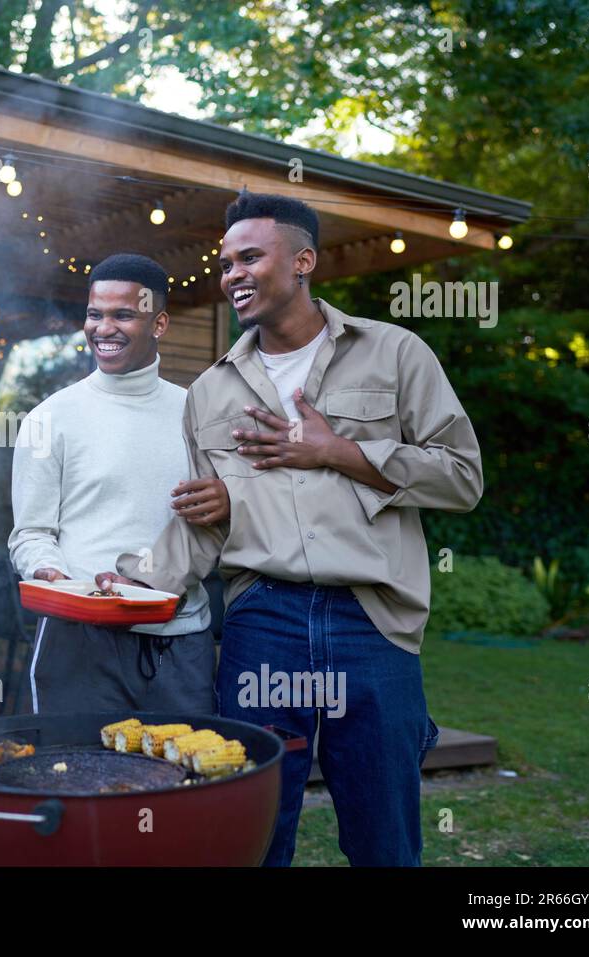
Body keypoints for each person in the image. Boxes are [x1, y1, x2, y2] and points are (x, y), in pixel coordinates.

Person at [100, 191, 484, 867]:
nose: (232, 273)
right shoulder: (211, 393)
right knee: (250, 827)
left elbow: (461, 476)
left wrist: (336, 450)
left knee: (382, 830)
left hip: (371, 621)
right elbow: (204, 525)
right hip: (262, 621)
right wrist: (133, 579)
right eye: (225, 263)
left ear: (304, 260)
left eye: (251, 256)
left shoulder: (394, 353)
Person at [9, 253, 227, 715]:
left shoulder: (197, 414)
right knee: (79, 779)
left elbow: (219, 522)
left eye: (123, 314)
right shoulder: (50, 418)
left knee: (182, 783)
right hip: (79, 640)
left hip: (180, 641)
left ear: (159, 323)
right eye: (95, 314)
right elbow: (31, 534)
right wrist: (50, 572)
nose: (103, 328)